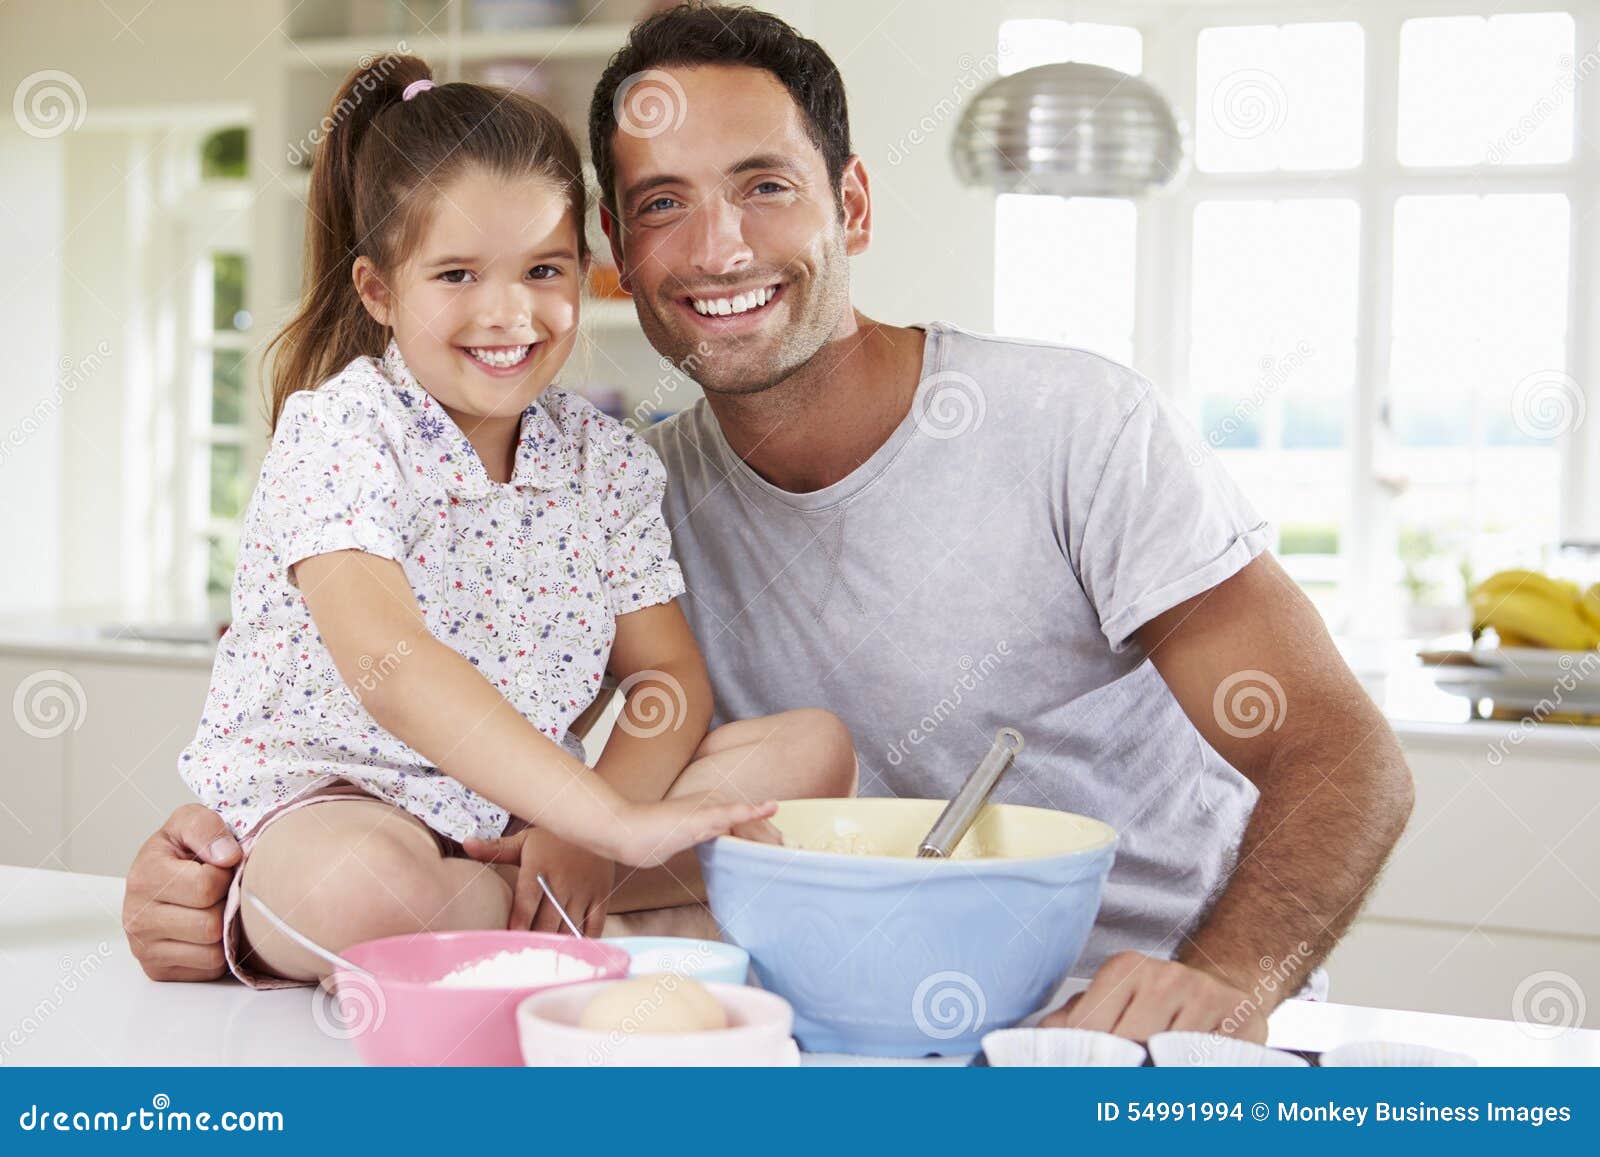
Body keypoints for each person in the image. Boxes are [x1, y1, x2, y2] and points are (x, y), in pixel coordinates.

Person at [129, 5, 1414, 1044]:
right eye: (664, 203)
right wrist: (220, 864)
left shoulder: (1077, 427)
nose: (719, 243)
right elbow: (389, 686)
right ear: (620, 256)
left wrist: (1229, 985)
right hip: (791, 1023)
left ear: (849, 205)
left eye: (763, 185)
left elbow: (1346, 757)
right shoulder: (632, 476)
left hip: (1091, 1032)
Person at [157, 55, 854, 989]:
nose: (509, 312)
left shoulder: (604, 462)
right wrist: (609, 829)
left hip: (532, 823)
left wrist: (587, 823)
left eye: (543, 268)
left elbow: (665, 676)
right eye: (456, 273)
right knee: (359, 891)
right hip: (348, 812)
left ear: (583, 269)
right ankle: (606, 921)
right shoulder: (341, 431)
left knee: (811, 753)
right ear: (378, 291)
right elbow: (391, 664)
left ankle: (533, 915)